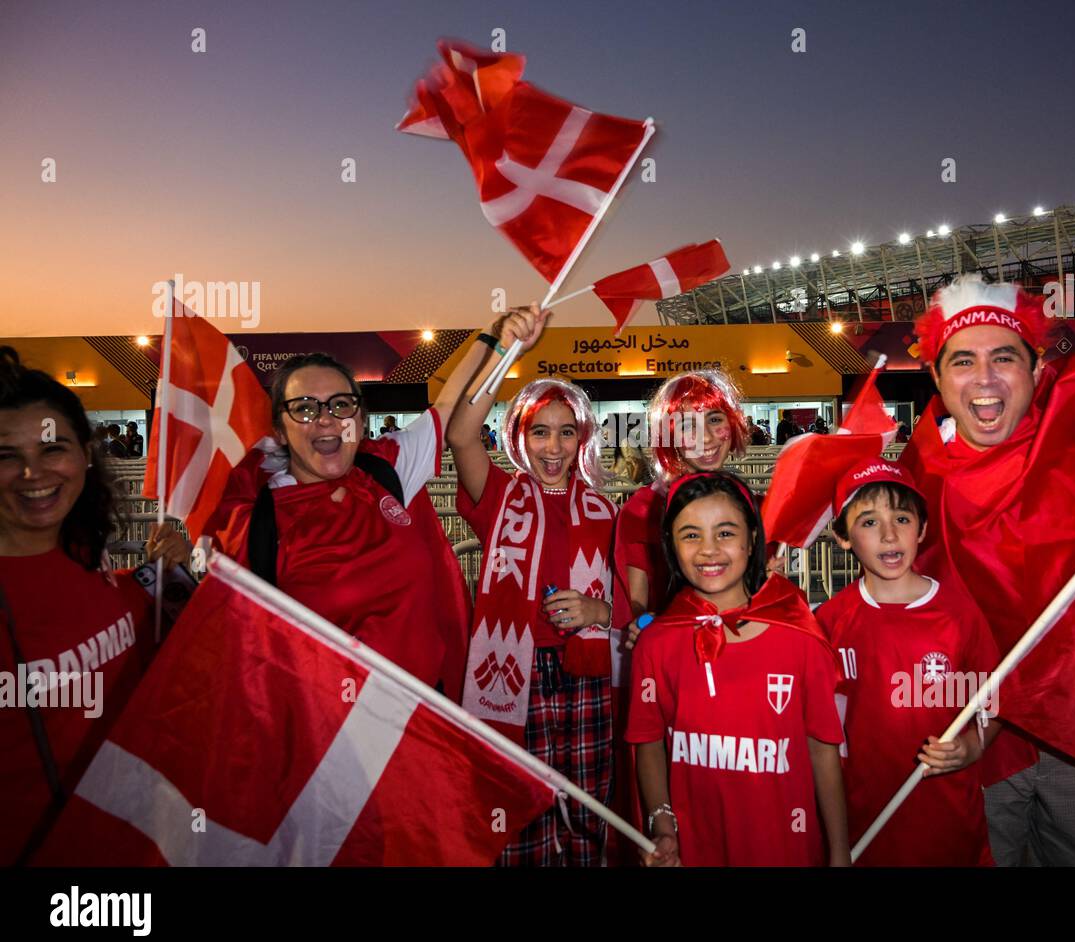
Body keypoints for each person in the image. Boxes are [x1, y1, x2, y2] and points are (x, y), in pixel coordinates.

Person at [901, 272, 1075, 865]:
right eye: (963, 362)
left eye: (1004, 358)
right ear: (938, 378)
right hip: (965, 736)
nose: (984, 380)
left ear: (1035, 369)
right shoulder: (911, 478)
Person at [202, 313, 518, 693]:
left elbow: (450, 404)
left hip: (420, 722)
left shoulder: (385, 469)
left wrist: (496, 340)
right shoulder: (256, 522)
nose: (325, 420)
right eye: (304, 408)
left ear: (360, 418)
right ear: (280, 431)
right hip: (328, 732)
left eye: (341, 404)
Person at [0, 347, 189, 865]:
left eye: (51, 448)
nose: (31, 473)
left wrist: (170, 579)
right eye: (5, 456)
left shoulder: (91, 559)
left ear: (85, 452)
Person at [448, 307, 618, 866]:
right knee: (522, 805)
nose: (553, 446)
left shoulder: (603, 508)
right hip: (513, 674)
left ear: (582, 438)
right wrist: (505, 349)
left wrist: (599, 607)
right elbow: (461, 431)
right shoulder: (498, 493)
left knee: (589, 804)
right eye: (540, 431)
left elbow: (633, 607)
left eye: (566, 432)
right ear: (520, 437)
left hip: (588, 673)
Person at [626, 471, 850, 866]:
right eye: (691, 534)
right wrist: (662, 823)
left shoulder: (801, 637)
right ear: (670, 546)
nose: (709, 550)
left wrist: (838, 850)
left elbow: (821, 749)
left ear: (752, 540)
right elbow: (649, 743)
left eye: (726, 533)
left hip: (785, 848)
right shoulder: (655, 642)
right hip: (695, 849)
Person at [815, 457, 999, 865]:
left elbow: (993, 702)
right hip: (863, 824)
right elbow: (820, 733)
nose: (888, 535)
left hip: (949, 823)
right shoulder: (828, 622)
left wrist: (972, 746)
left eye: (901, 518)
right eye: (868, 522)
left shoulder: (960, 613)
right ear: (842, 537)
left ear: (923, 529)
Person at [615, 369, 749, 648]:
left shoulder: (748, 504)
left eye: (715, 420)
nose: (708, 438)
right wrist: (649, 625)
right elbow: (634, 603)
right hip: (674, 652)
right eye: (689, 426)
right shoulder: (642, 509)